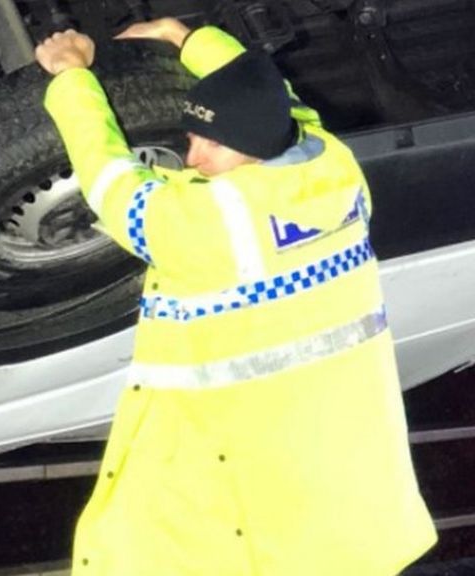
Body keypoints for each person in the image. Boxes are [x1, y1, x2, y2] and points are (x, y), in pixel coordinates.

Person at [34, 17, 437, 576]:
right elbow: (277, 102)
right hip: (309, 538)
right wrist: (186, 38)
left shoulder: (221, 226)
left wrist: (72, 75)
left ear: (253, 152)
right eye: (195, 136)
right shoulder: (330, 169)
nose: (192, 157)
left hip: (330, 520)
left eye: (211, 144)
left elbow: (109, 179)